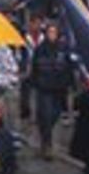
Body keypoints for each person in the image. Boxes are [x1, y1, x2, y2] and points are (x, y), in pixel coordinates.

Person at [31, 21, 73, 159]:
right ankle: (47, 144)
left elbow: (69, 68)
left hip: (59, 88)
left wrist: (70, 83)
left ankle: (45, 138)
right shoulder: (40, 49)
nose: (52, 35)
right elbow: (34, 67)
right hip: (44, 88)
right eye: (50, 32)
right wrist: (34, 82)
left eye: (54, 32)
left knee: (55, 114)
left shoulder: (63, 49)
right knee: (46, 115)